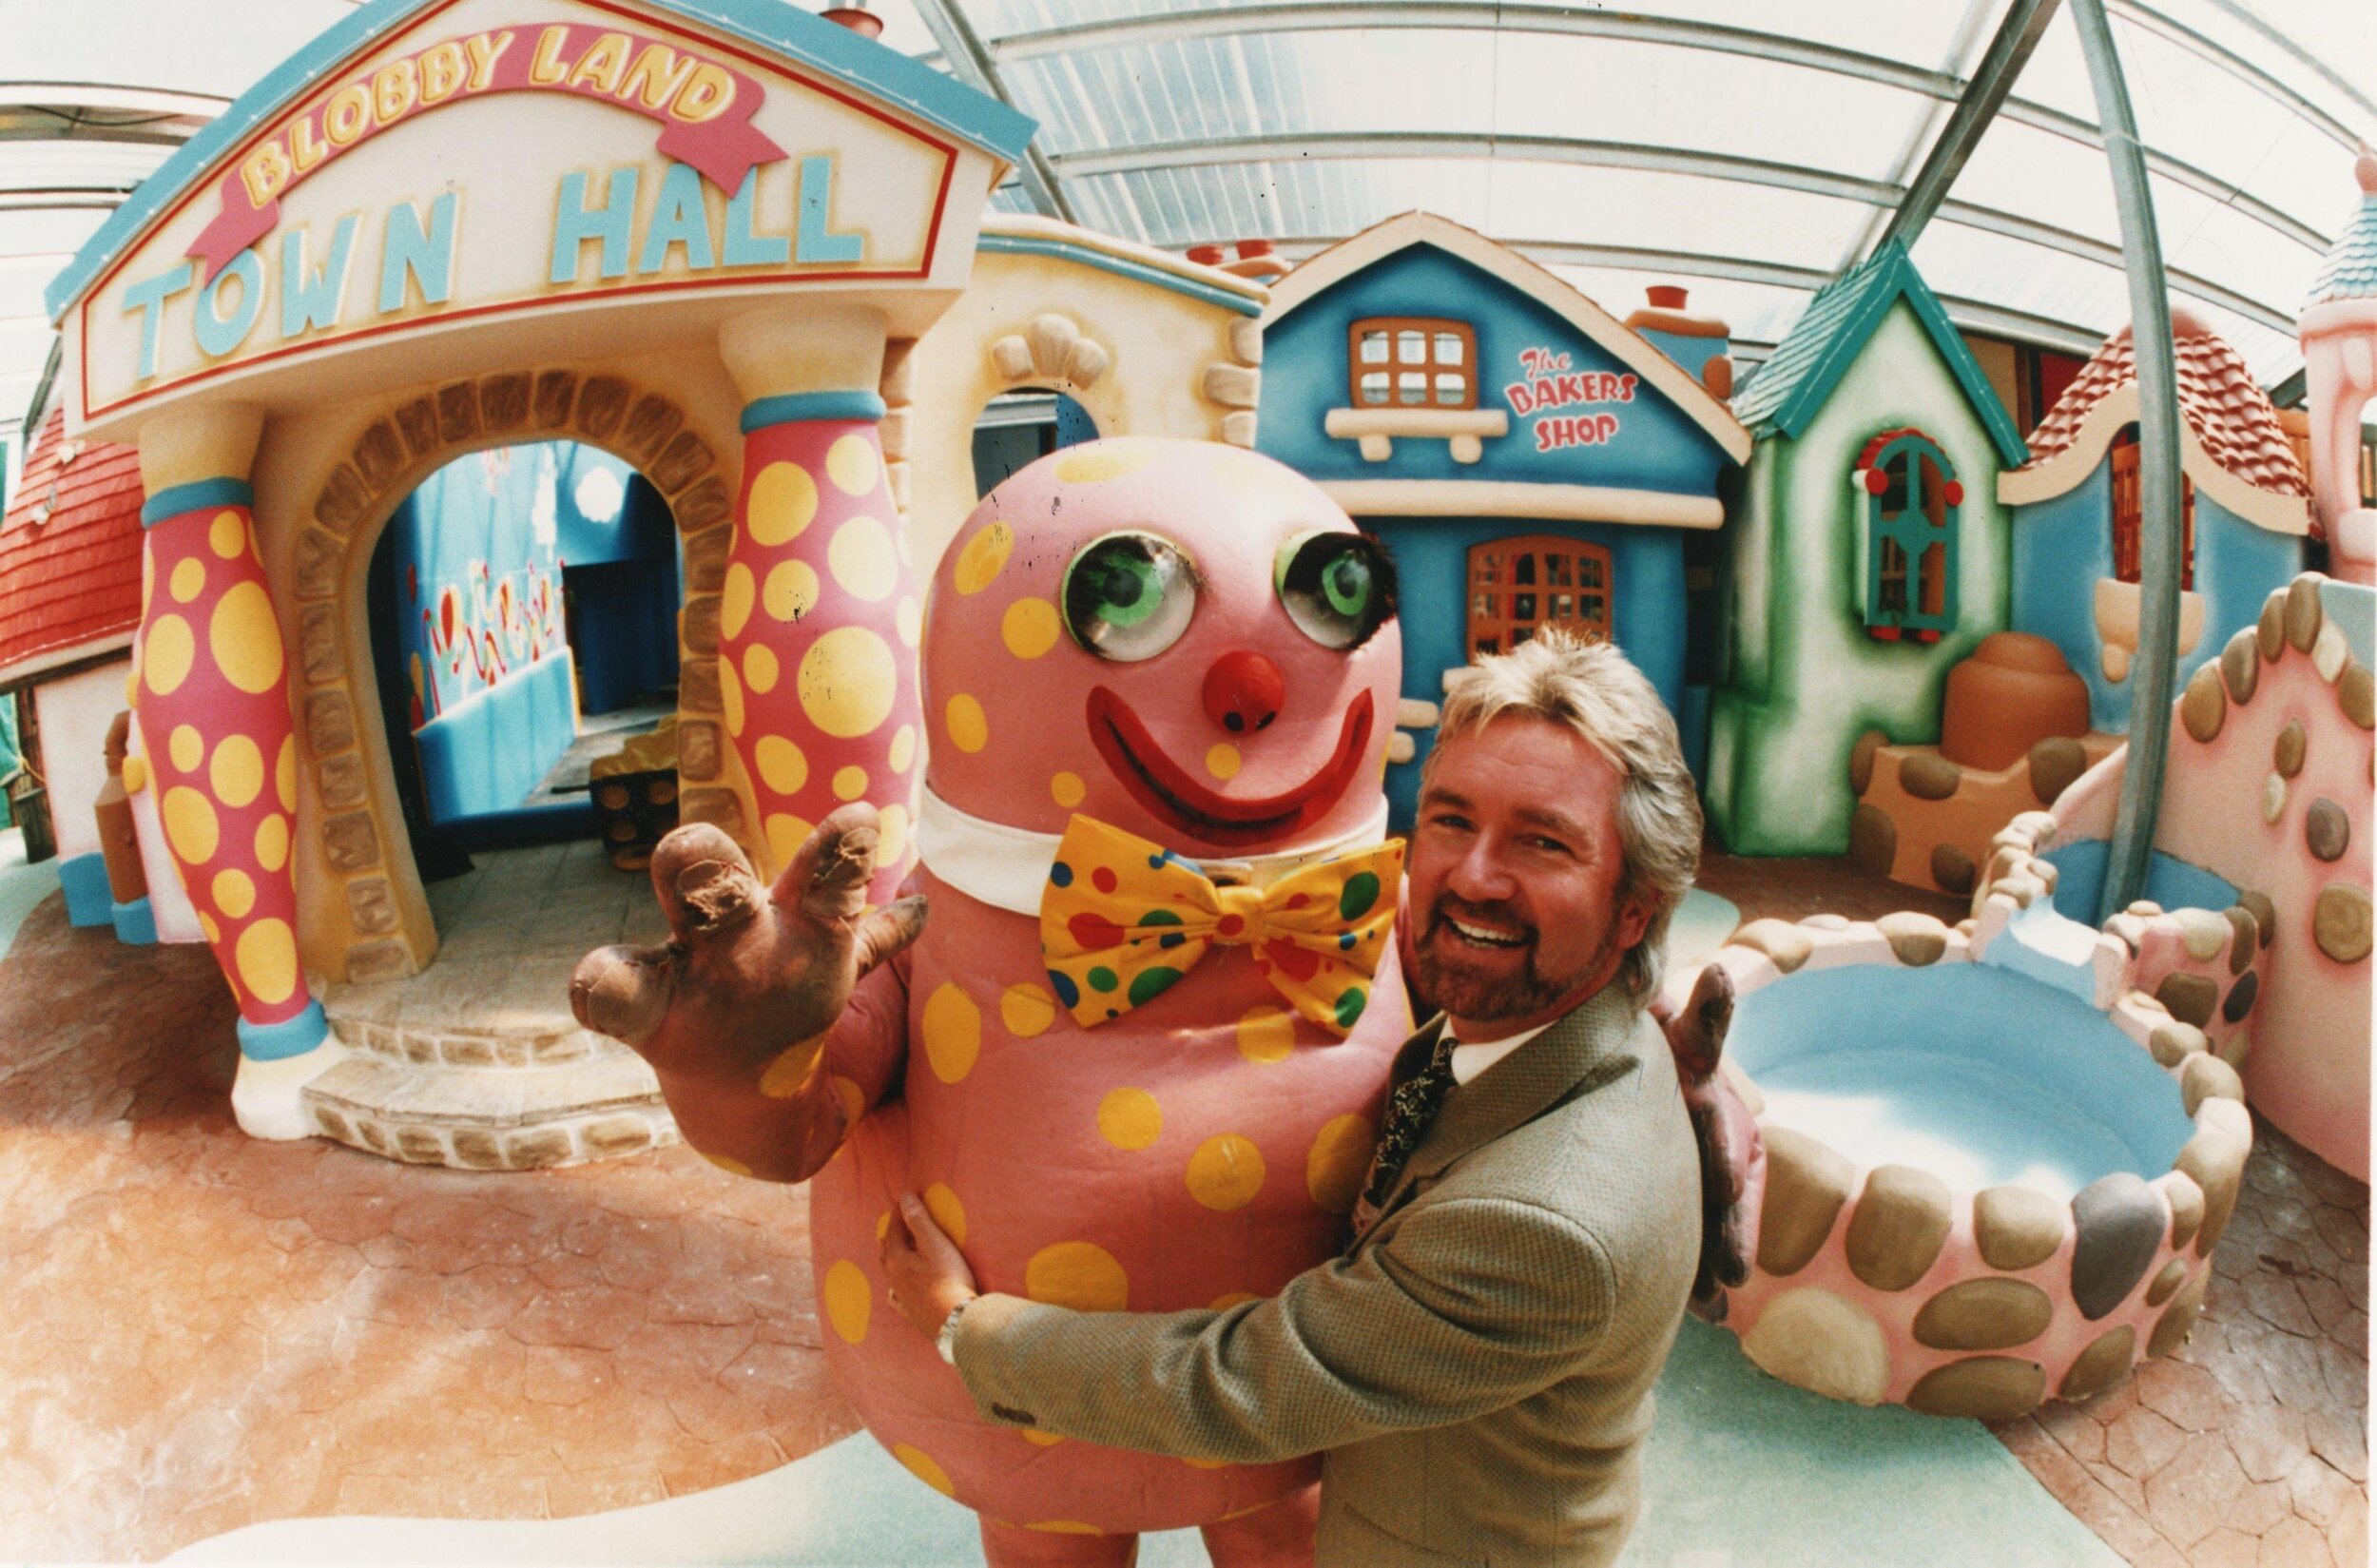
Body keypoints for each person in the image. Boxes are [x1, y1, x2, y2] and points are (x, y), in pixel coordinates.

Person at [881, 629, 1723, 1568]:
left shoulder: (1538, 1224)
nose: (1473, 876)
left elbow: (1244, 1383)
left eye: (1543, 842)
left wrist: (968, 1330)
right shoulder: (1561, 1025)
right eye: (1451, 820)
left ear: (1637, 906)